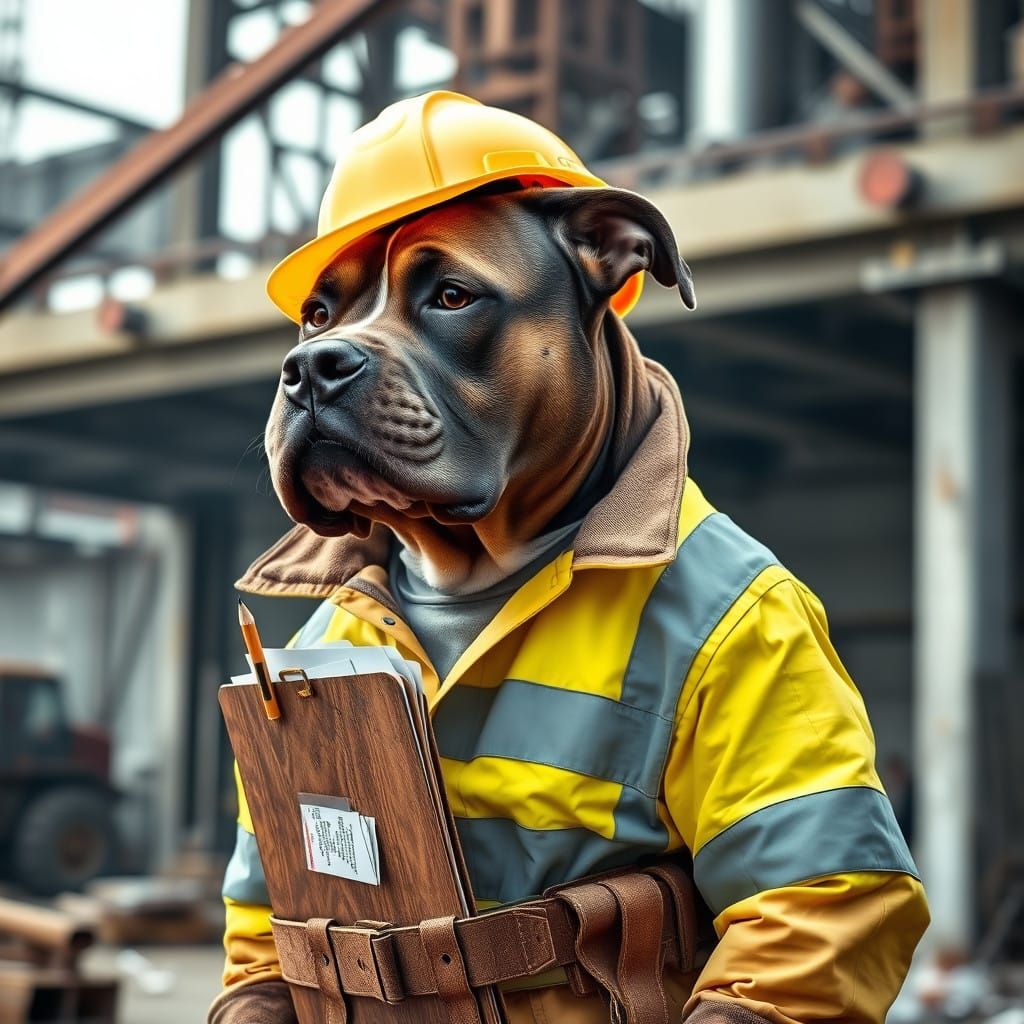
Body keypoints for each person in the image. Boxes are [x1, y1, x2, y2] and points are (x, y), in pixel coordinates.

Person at [208, 91, 929, 1024]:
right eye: (322, 317)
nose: (332, 356)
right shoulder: (325, 642)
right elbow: (271, 926)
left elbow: (827, 909)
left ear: (607, 262)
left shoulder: (723, 618)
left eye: (451, 296)